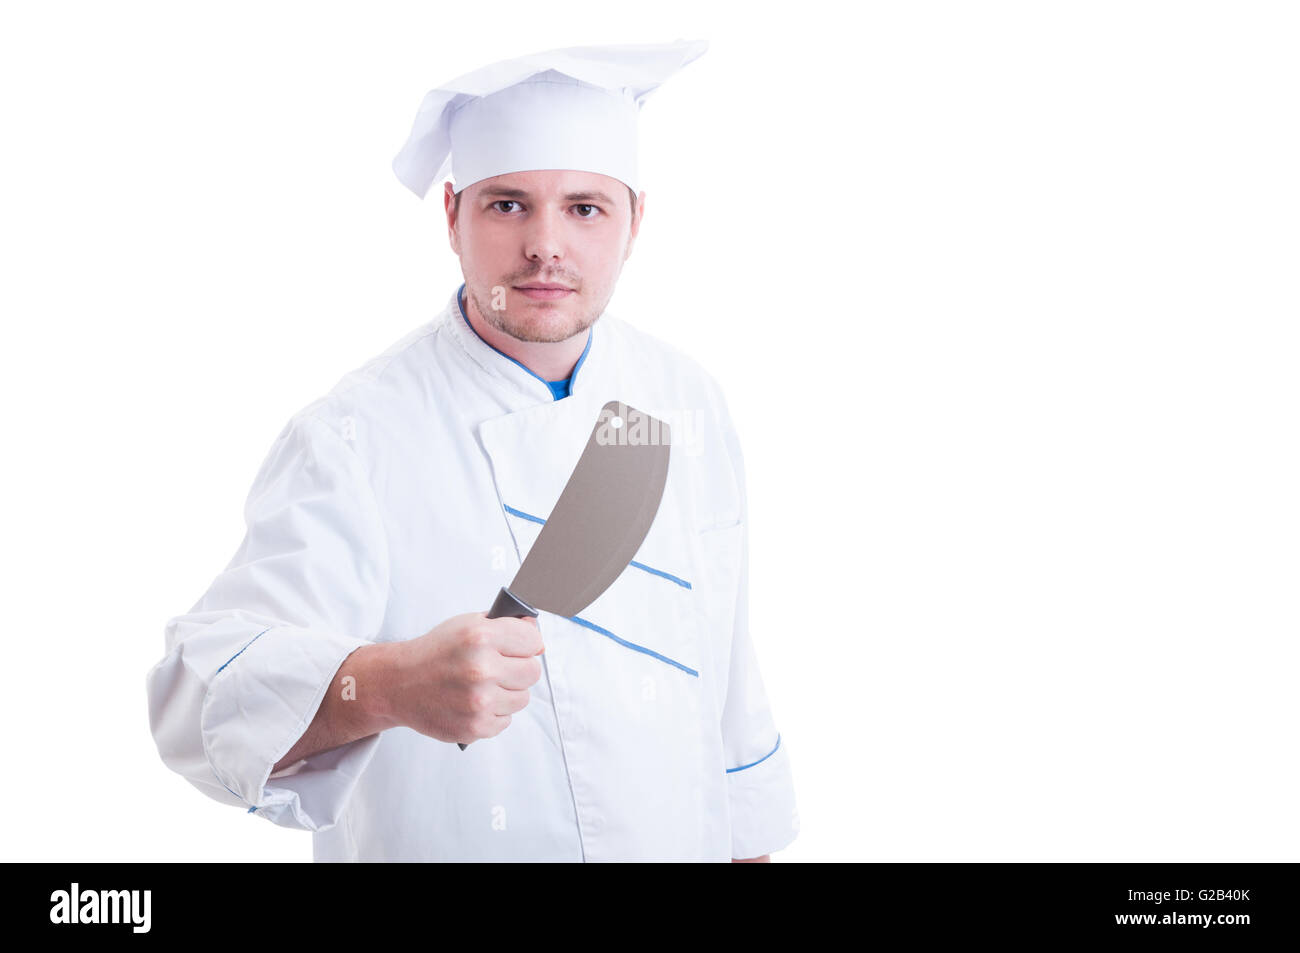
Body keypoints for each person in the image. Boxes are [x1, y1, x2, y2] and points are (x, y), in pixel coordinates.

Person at [145, 39, 798, 862]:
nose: (546, 246)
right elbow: (194, 695)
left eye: (586, 207)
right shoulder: (354, 438)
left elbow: (729, 689)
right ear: (452, 215)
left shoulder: (680, 398)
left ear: (637, 222)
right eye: (508, 204)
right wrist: (383, 684)